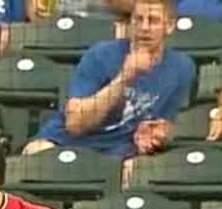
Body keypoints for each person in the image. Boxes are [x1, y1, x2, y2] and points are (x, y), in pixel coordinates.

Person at [23, 0, 195, 159]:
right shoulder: (101, 54)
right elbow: (75, 124)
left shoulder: (181, 68)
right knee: (36, 152)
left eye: (153, 20)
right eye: (138, 19)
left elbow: (170, 124)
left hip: (119, 151)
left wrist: (156, 134)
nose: (144, 27)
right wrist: (124, 78)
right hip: (66, 142)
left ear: (170, 25)